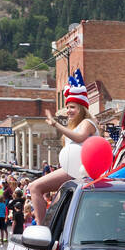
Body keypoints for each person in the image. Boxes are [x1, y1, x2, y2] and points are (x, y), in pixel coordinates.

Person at [31, 70, 98, 224]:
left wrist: (56, 125)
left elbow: (80, 137)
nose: (68, 111)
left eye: (72, 107)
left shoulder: (87, 123)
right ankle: (47, 230)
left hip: (81, 170)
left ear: (82, 108)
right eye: (67, 107)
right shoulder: (76, 126)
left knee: (34, 187)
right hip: (73, 170)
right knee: (55, 211)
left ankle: (41, 230)